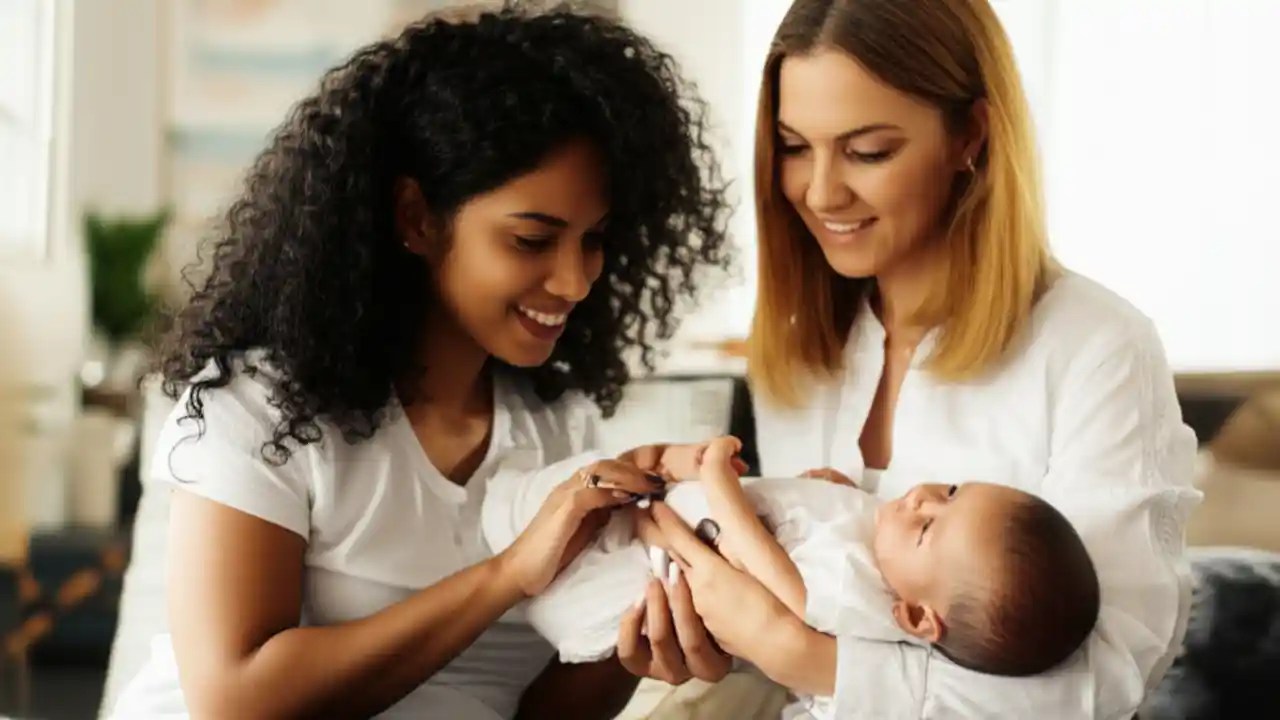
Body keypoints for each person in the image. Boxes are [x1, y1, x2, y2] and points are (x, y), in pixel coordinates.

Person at [108, 5, 733, 719]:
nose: (576, 281)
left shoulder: (554, 428)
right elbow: (235, 699)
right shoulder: (256, 408)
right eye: (533, 240)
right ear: (416, 217)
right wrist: (506, 576)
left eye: (595, 240)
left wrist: (636, 633)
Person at [624, 1, 1202, 718]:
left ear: (970, 135)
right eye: (794, 146)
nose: (820, 191)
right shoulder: (801, 347)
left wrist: (804, 656)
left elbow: (1106, 682)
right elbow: (807, 605)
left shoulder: (1097, 348)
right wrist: (711, 634)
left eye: (869, 151)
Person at [484, 433, 1100, 683]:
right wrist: (828, 491)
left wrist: (719, 484)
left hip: (642, 575)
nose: (920, 498)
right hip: (666, 521)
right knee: (569, 494)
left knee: (556, 529)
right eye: (953, 492)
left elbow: (785, 587)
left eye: (929, 528)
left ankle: (501, 516)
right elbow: (826, 529)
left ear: (914, 617)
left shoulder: (863, 592)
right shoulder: (888, 550)